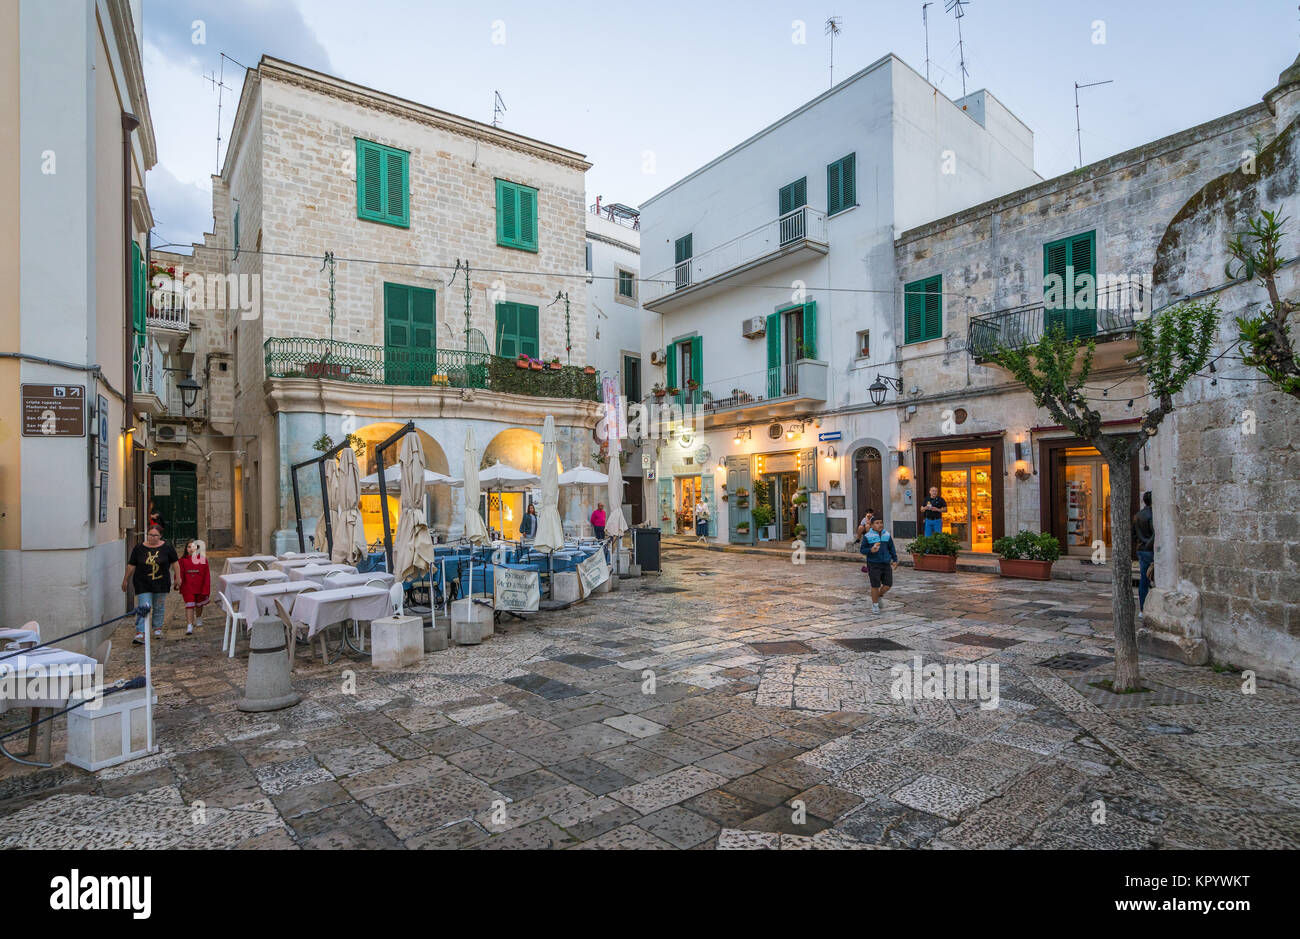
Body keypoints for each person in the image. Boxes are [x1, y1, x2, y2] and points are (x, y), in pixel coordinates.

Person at [121, 524, 180, 644]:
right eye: (150, 535)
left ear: (160, 536)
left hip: (161, 582)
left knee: (159, 606)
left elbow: (175, 563)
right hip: (143, 582)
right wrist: (125, 579)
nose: (153, 537)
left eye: (155, 535)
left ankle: (157, 628)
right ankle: (140, 632)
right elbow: (131, 564)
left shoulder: (167, 547)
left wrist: (178, 578)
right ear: (147, 535)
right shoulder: (139, 548)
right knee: (144, 606)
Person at [860, 516, 898, 614]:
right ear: (872, 525)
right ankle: (875, 605)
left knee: (888, 585)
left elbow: (892, 548)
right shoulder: (868, 536)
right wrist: (870, 550)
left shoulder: (887, 535)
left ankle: (879, 595)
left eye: (881, 522)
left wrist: (895, 560)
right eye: (877, 523)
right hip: (873, 564)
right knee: (875, 585)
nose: (880, 524)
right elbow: (862, 550)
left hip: (886, 563)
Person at [178, 539, 211, 636]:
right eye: (189, 547)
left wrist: (206, 588)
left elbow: (206, 575)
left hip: (200, 586)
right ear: (186, 548)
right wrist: (178, 582)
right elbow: (180, 573)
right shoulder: (182, 561)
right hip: (187, 586)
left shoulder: (203, 560)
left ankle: (199, 617)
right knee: (189, 604)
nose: (191, 549)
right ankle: (189, 625)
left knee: (199, 604)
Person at [1133, 490, 1155, 617]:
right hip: (1149, 550)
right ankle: (1150, 607)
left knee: (1144, 579)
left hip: (1140, 549)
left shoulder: (1137, 515)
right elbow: (1154, 533)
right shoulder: (1151, 515)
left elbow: (1134, 534)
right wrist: (1148, 544)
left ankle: (1142, 609)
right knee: (1152, 578)